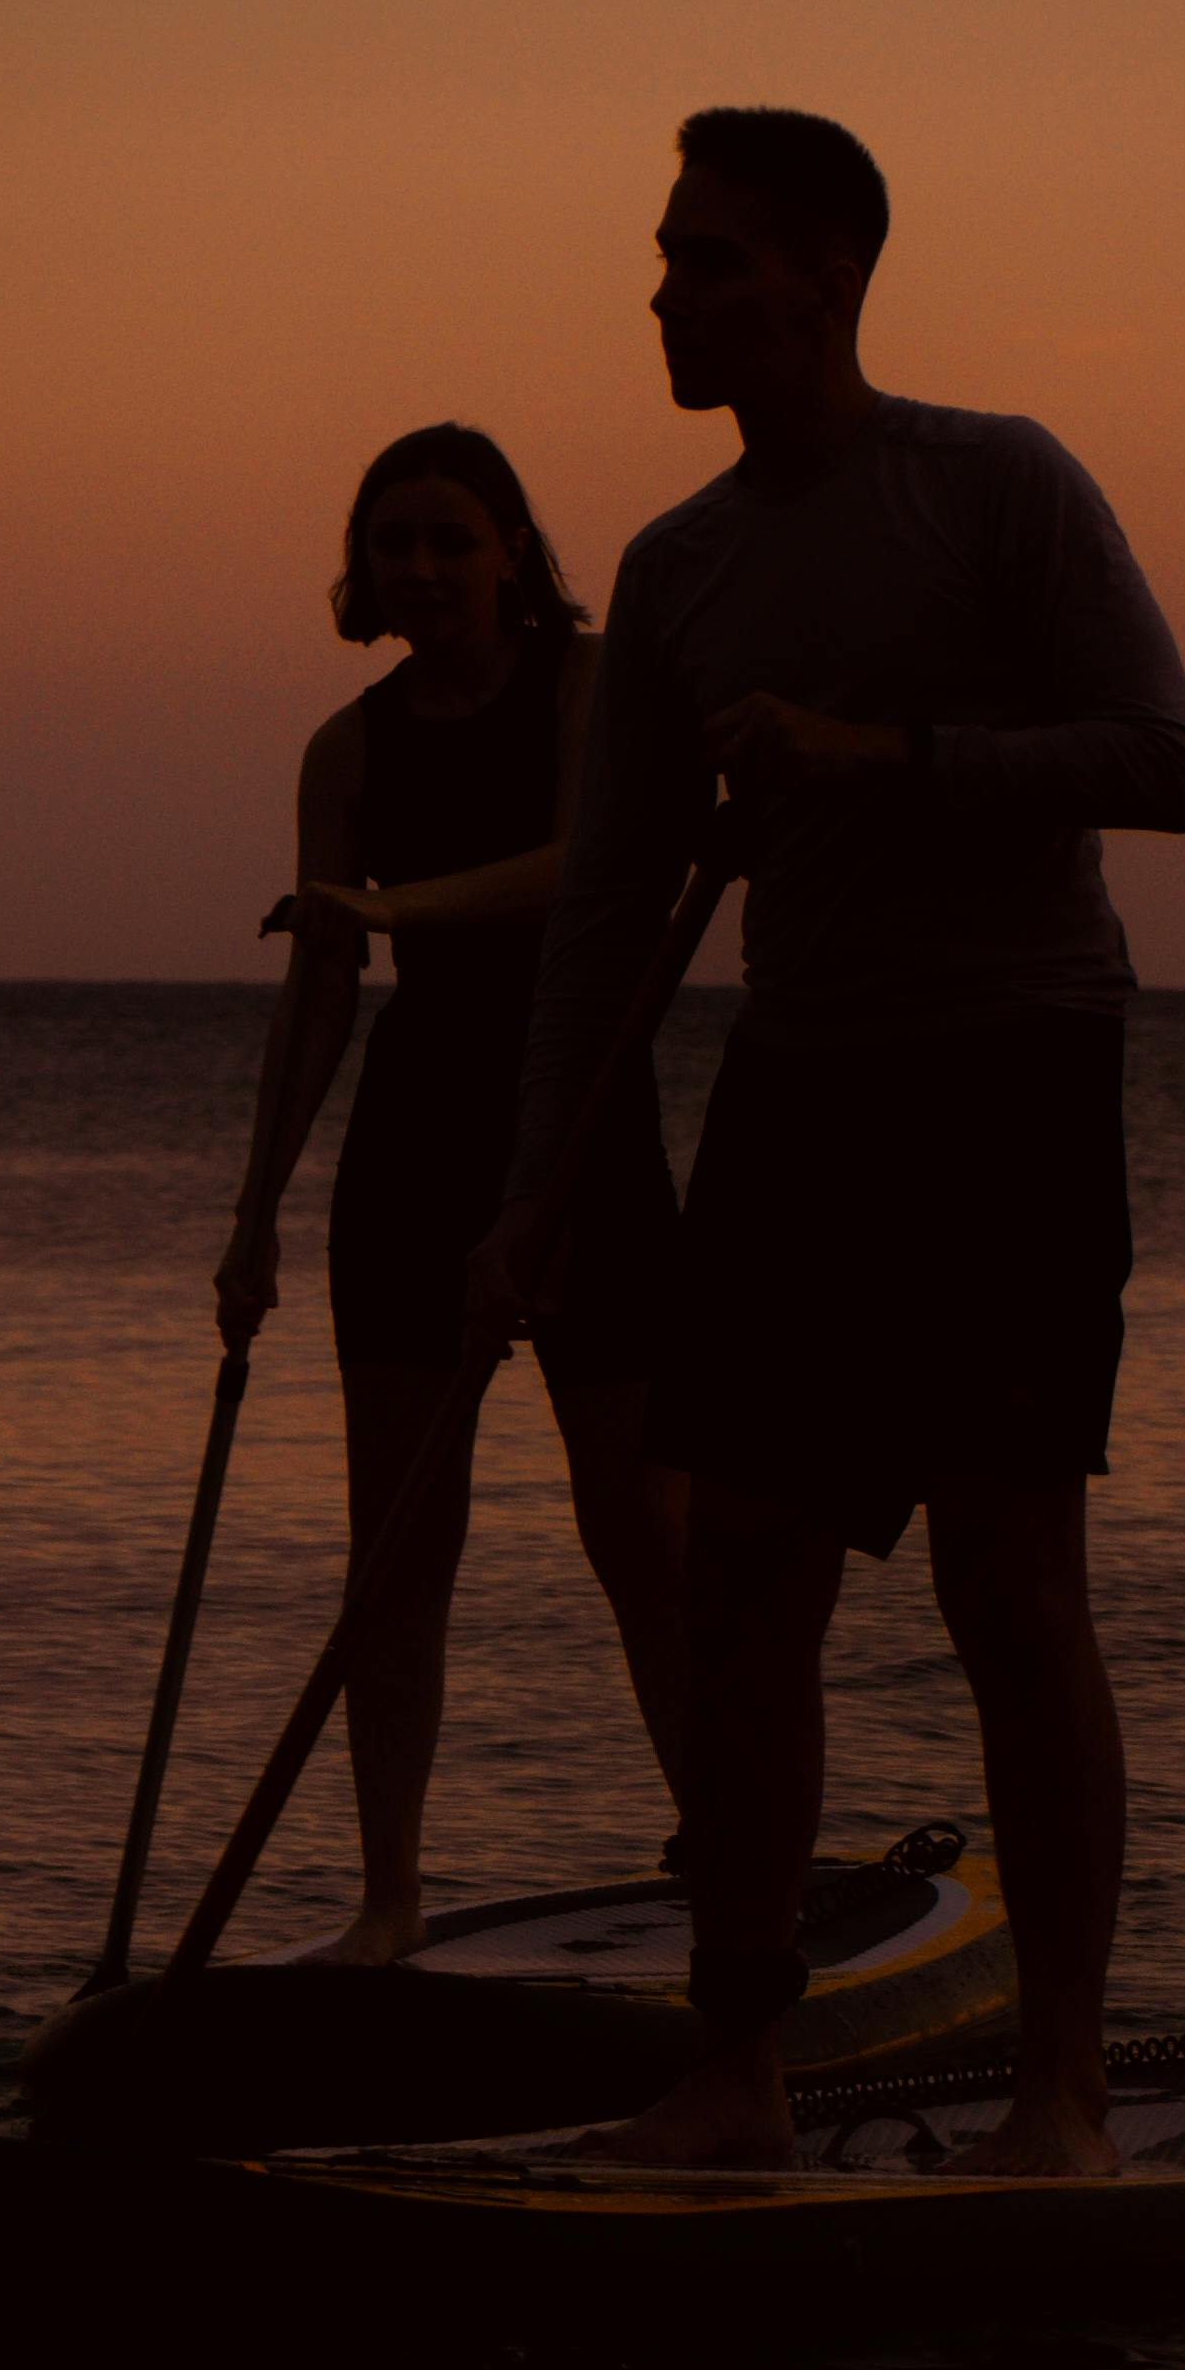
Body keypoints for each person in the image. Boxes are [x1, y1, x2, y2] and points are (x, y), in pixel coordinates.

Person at [470, 112, 1185, 2173]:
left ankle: (1058, 2086)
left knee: (1007, 1581)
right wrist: (536, 1188)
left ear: (825, 275)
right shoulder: (674, 568)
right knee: (742, 1588)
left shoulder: (995, 484)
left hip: (1009, 1074)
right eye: (667, 254)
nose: (665, 293)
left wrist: (881, 757)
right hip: (797, 1091)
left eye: (706, 259)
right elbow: (608, 914)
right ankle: (739, 2066)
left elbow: (1166, 759)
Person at [216, 424, 685, 1961]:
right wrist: (252, 1218)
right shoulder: (346, 750)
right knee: (397, 1553)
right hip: (414, 1145)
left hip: (577, 1132)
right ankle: (389, 1900)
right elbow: (325, 991)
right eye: (392, 542)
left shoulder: (584, 685)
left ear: (508, 554)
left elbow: (590, 865)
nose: (419, 568)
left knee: (641, 1530)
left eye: (449, 540)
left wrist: (398, 901)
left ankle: (727, 1850)